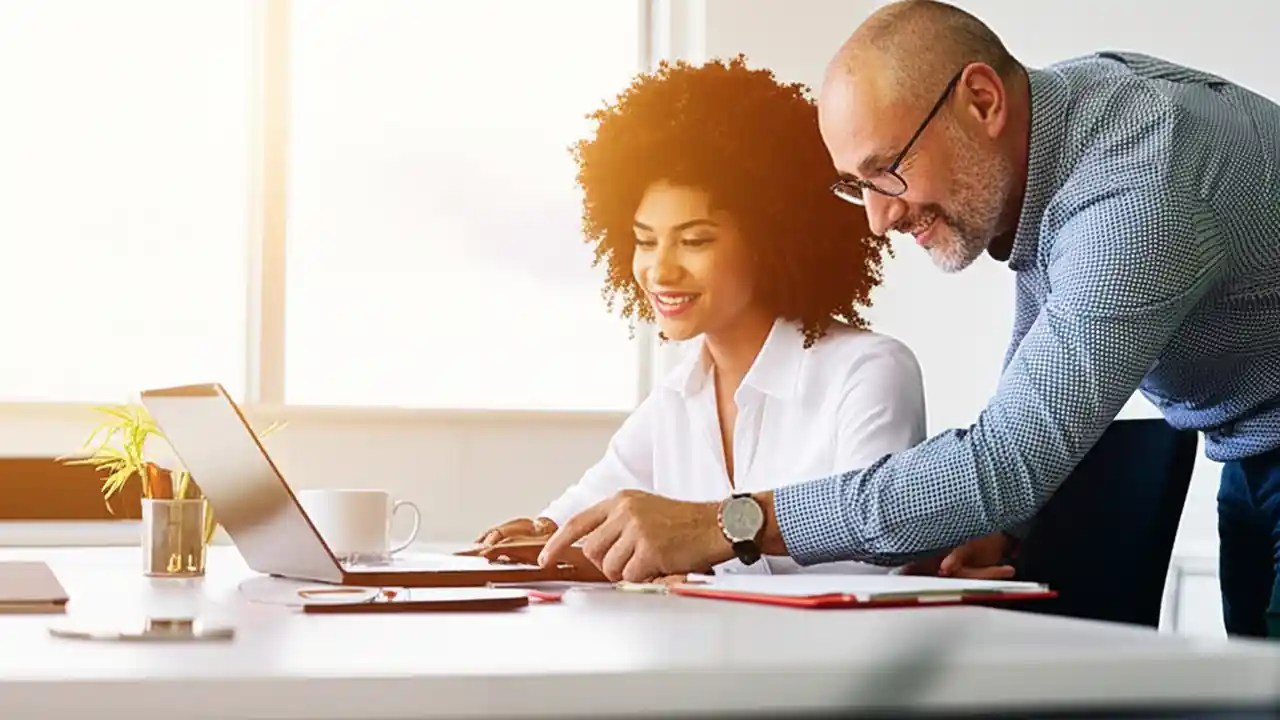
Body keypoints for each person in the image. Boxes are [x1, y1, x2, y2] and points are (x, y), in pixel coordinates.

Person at [539, 0, 1280, 638]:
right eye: (855, 186)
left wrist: (722, 524)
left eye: (888, 170)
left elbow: (1004, 462)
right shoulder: (1068, 132)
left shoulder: (1138, 189)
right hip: (1249, 452)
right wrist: (1002, 518)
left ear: (982, 101)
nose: (877, 219)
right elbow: (1026, 411)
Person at [476, 56, 1008, 582]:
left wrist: (703, 541)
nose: (660, 269)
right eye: (644, 241)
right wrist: (539, 531)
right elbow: (587, 512)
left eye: (695, 240)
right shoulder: (679, 395)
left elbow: (870, 551)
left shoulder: (866, 372)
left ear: (771, 243)